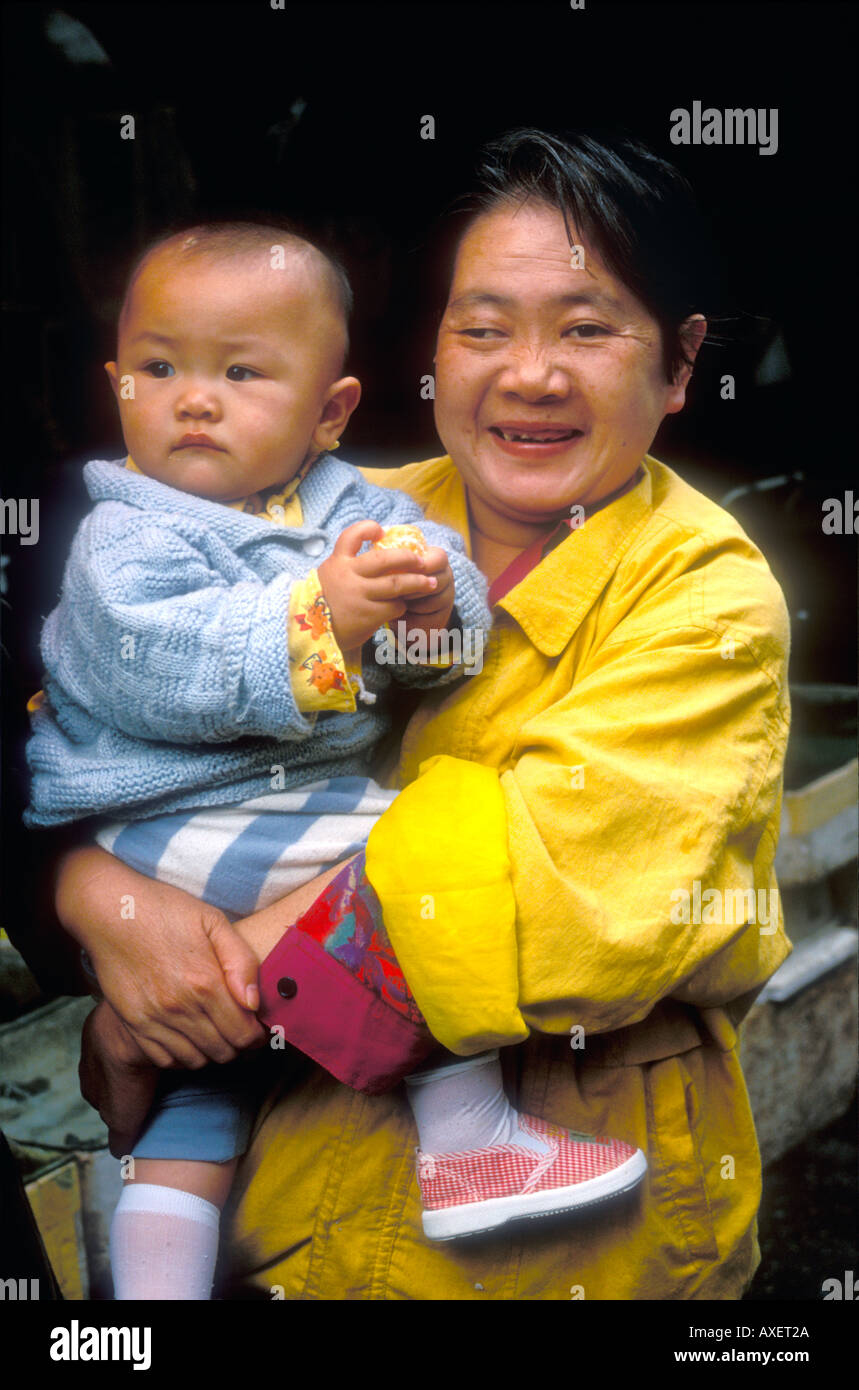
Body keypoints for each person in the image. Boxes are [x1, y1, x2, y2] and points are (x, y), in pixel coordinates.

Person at [53, 128, 791, 1300]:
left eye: (586, 327)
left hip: (569, 1226)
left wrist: (162, 1012)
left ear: (680, 362)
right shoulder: (332, 510)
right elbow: (106, 710)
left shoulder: (703, 593)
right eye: (483, 326)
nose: (528, 374)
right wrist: (96, 891)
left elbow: (537, 887)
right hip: (294, 1189)